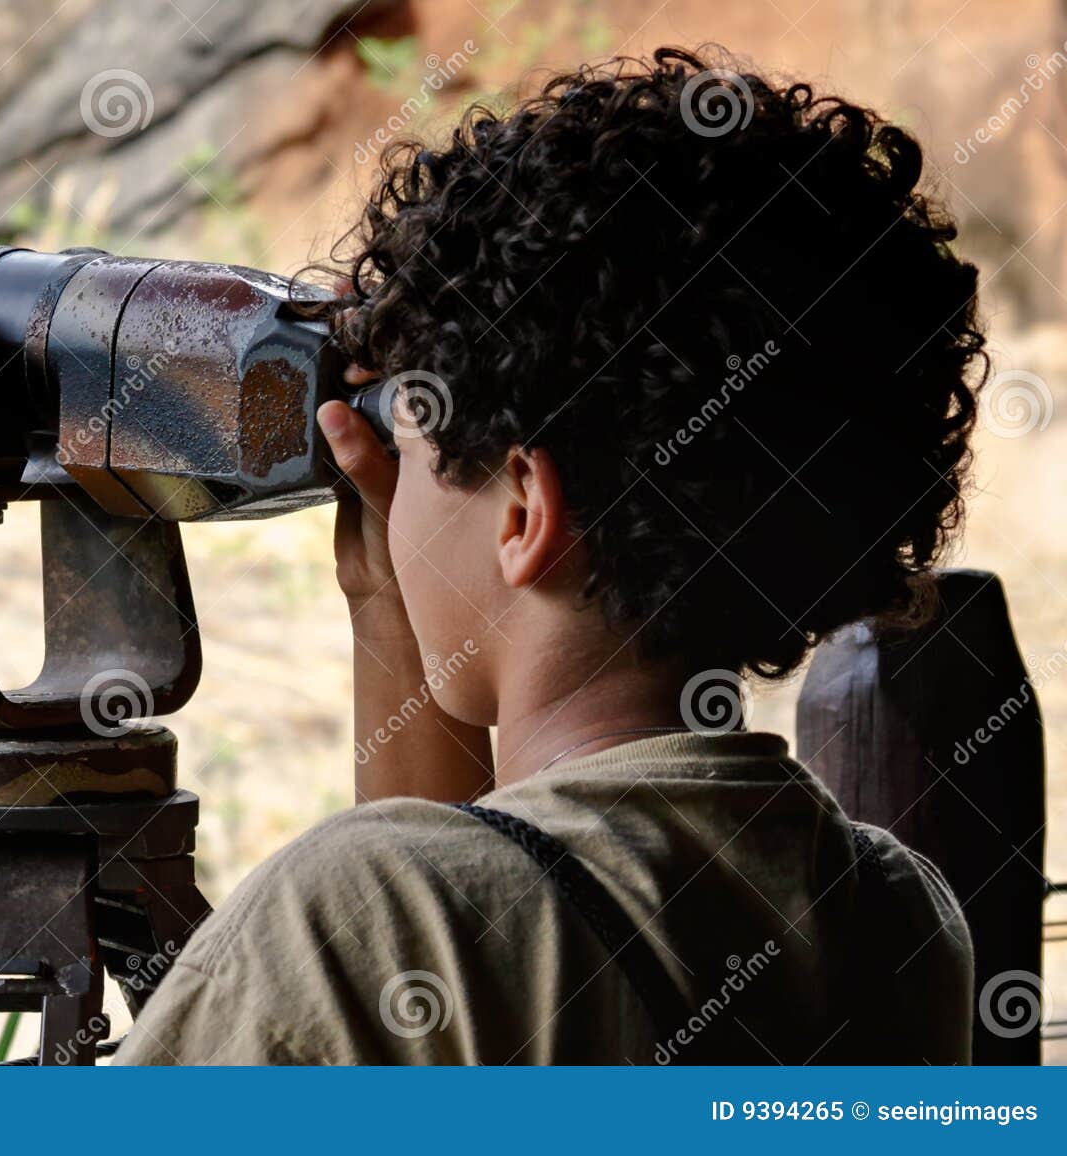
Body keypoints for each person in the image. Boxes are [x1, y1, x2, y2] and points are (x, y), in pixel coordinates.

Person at [114, 47, 978, 1065]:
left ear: (524, 508)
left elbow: (441, 928)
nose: (392, 479)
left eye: (410, 440)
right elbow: (474, 916)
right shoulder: (896, 914)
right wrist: (387, 593)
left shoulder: (348, 920)